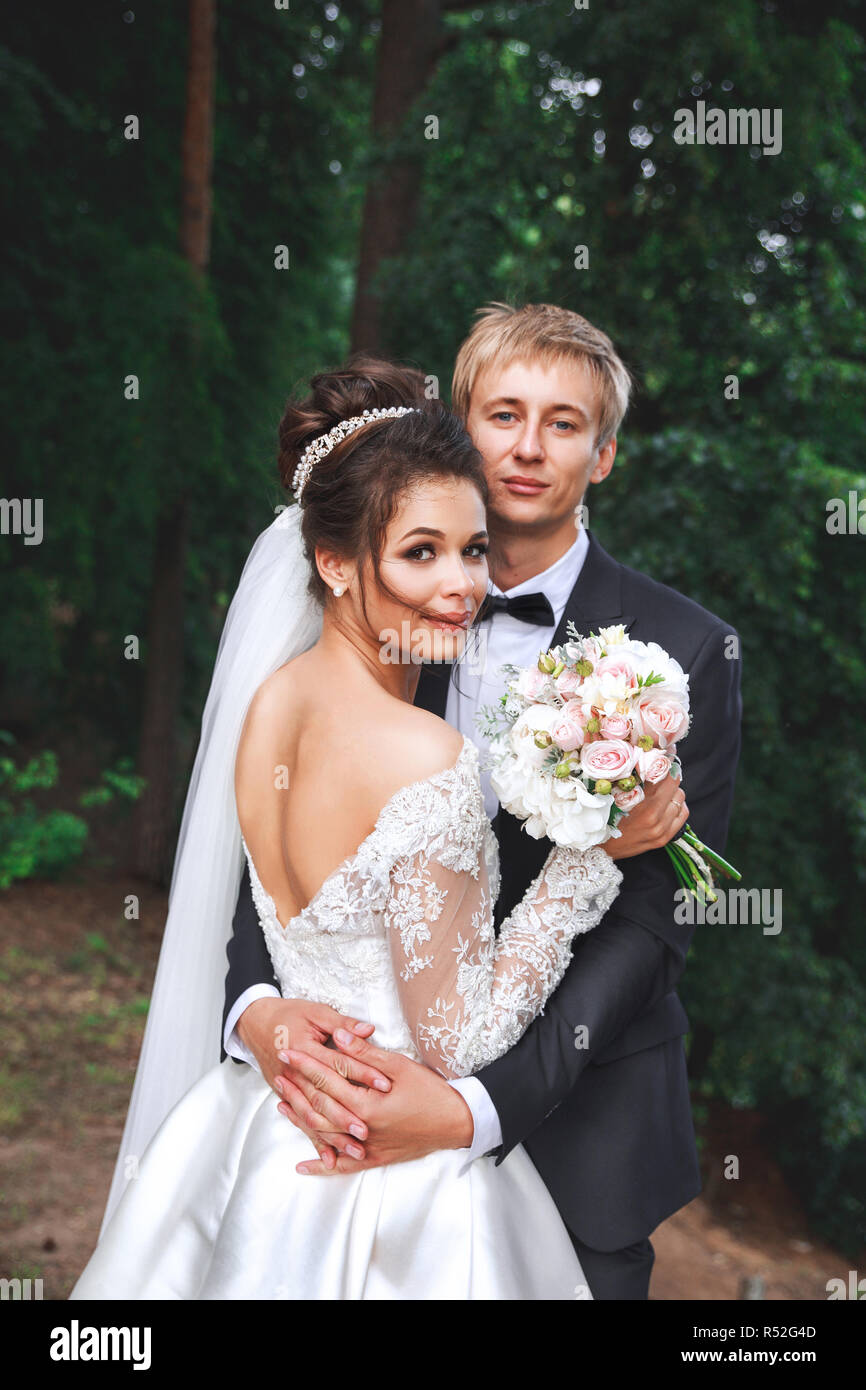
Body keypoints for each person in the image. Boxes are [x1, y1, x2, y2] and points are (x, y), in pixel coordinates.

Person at [71, 360, 686, 1300]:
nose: (462, 587)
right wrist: (587, 862)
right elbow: (460, 1037)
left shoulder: (266, 704)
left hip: (259, 1134)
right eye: (421, 553)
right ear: (335, 562)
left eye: (474, 551)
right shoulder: (423, 752)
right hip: (392, 1175)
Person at [223, 306, 742, 1301]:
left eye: (563, 423)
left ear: (604, 456)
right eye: (503, 414)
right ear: (460, 428)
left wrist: (471, 1109)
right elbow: (274, 857)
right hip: (340, 1111)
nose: (527, 447)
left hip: (580, 1127)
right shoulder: (367, 610)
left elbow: (650, 929)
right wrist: (260, 1013)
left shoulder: (681, 652)